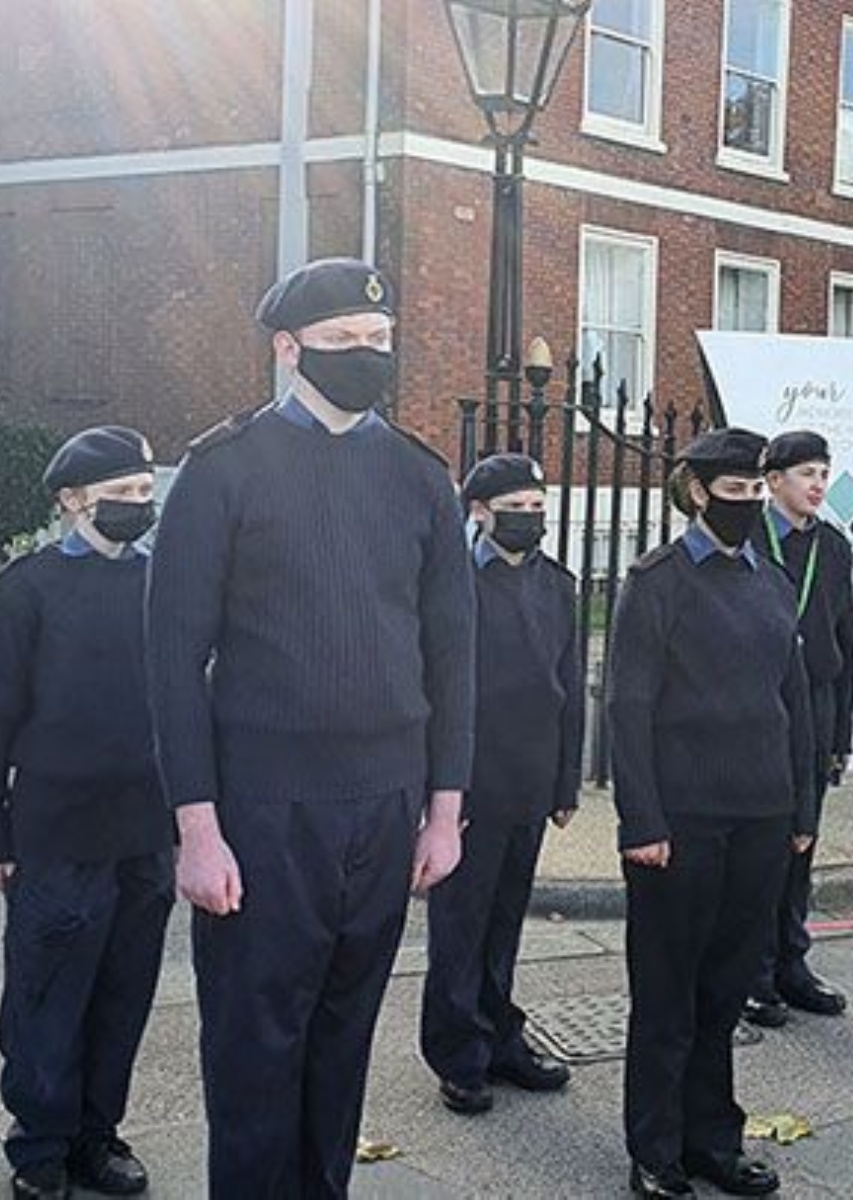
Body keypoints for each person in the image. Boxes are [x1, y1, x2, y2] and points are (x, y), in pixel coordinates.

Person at [145, 258, 475, 1199]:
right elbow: (172, 661)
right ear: (290, 350)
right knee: (255, 1052)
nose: (367, 357)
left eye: (379, 342)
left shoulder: (419, 477)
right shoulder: (223, 472)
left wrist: (444, 811)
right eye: (343, 344)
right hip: (262, 811)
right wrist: (196, 830)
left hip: (385, 806)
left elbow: (455, 656)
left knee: (342, 1045)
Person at [608, 428, 815, 1199]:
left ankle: (712, 1143)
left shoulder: (770, 576)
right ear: (697, 491)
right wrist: (643, 823)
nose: (750, 504)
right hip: (682, 822)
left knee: (726, 990)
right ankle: (655, 1149)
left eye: (758, 490)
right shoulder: (656, 580)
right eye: (735, 492)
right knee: (667, 993)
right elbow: (629, 708)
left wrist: (800, 807)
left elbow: (792, 699)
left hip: (760, 816)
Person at [0, 427, 174, 1200]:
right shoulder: (26, 587)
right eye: (121, 495)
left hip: (144, 828)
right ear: (74, 501)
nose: (138, 507)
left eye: (145, 493)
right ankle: (39, 1146)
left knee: (122, 990)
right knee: (47, 994)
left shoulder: (162, 583)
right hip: (57, 827)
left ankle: (98, 1135)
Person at [420, 452, 583, 1116]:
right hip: (468, 786)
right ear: (480, 513)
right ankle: (458, 1054)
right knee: (460, 926)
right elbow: (430, 691)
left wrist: (566, 781)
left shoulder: (559, 584)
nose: (530, 520)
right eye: (515, 509)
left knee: (505, 922)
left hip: (530, 778)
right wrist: (436, 794)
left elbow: (570, 687)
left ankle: (500, 1038)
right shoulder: (451, 582)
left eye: (538, 508)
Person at [744, 431, 853, 1028]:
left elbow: (847, 637)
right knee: (764, 846)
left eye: (824, 473)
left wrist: (841, 733)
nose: (817, 484)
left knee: (802, 844)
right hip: (763, 708)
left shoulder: (834, 547)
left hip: (814, 706)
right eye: (806, 473)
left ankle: (792, 961)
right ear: (775, 481)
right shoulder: (751, 539)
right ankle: (753, 972)